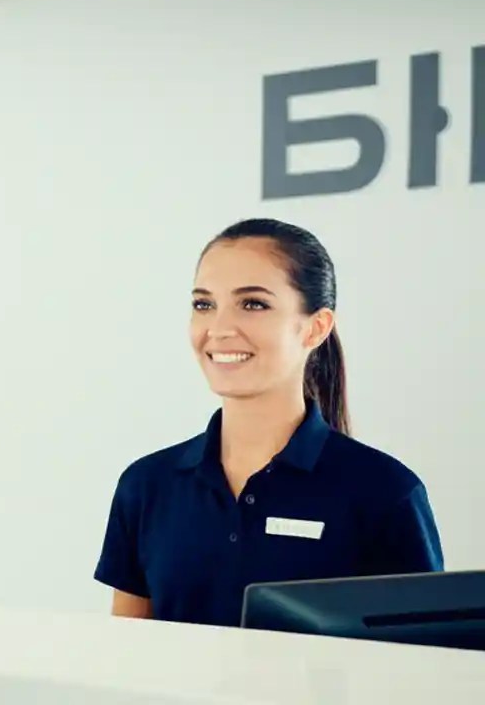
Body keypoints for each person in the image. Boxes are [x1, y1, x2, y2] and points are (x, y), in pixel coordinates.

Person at [93, 218, 443, 628]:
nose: (219, 329)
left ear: (315, 327)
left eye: (253, 304)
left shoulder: (385, 493)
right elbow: (127, 663)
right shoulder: (147, 485)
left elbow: (421, 673)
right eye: (204, 304)